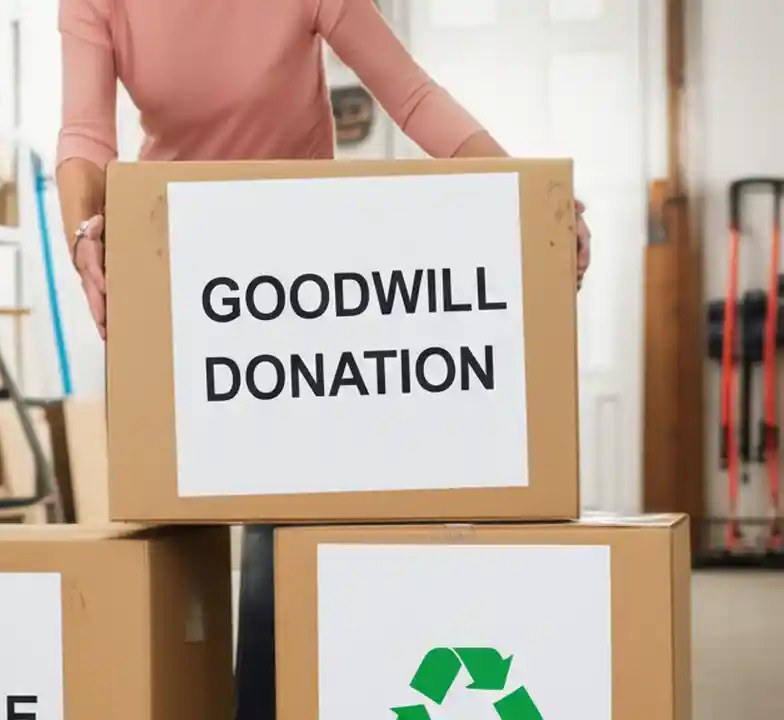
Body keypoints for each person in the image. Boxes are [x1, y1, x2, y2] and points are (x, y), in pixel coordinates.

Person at [55, 2, 591, 719]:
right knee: (170, 542)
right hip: (173, 260)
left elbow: (411, 94)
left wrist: (534, 199)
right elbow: (87, 132)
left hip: (297, 259)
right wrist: (85, 234)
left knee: (282, 537)